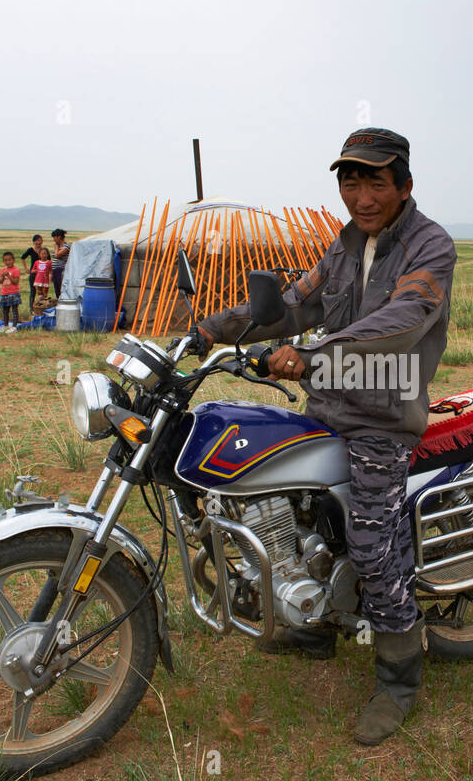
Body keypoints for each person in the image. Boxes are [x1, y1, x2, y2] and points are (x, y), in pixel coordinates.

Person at [193, 128, 456, 746]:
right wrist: (206, 331)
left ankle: (398, 678)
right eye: (350, 180)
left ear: (404, 185)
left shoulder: (430, 246)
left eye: (375, 181)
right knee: (292, 510)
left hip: (383, 417)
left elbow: (404, 319)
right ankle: (312, 619)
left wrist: (314, 354)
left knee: (372, 545)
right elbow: (289, 306)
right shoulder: (341, 250)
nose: (361, 195)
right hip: (328, 407)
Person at [0, 251, 23, 333]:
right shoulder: (3, 270)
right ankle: (6, 325)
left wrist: (8, 275)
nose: (7, 262)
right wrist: (2, 276)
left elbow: (15, 282)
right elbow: (0, 281)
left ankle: (14, 326)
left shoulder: (16, 270)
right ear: (3, 261)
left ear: (13, 260)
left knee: (14, 310)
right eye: (5, 260)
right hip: (4, 293)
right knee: (5, 311)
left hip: (13, 293)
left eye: (9, 260)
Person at [20, 234, 43, 312]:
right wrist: (26, 269)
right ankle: (31, 309)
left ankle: (41, 308)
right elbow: (23, 258)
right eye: (37, 241)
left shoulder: (43, 251)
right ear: (34, 242)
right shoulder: (30, 250)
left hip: (42, 274)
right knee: (33, 291)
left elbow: (48, 261)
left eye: (40, 240)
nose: (38, 242)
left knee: (42, 292)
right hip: (33, 273)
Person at [51, 228, 70, 299]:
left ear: (59, 237)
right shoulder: (59, 247)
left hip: (61, 270)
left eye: (54, 237)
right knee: (56, 289)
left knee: (60, 288)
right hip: (55, 270)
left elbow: (57, 255)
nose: (54, 240)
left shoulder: (66, 247)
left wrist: (56, 247)